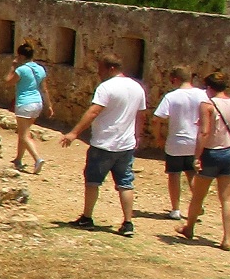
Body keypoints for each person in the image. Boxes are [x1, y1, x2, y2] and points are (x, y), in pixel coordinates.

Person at [58, 54, 148, 236]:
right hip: (126, 144)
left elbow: (94, 111)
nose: (98, 73)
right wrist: (137, 135)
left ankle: (87, 217)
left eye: (101, 69)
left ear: (111, 69)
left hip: (104, 143)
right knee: (125, 183)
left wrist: (75, 133)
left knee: (92, 181)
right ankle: (128, 223)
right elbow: (141, 115)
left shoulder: (106, 87)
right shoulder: (137, 87)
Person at [179, 72, 230, 250]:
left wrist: (196, 156)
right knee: (227, 197)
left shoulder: (208, 105)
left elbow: (204, 132)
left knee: (199, 195)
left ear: (209, 87)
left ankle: (189, 228)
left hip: (212, 153)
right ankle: (227, 238)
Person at [152, 66, 210, 218]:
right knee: (192, 174)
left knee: (174, 175)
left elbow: (156, 119)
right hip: (196, 141)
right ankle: (198, 204)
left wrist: (158, 137)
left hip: (176, 141)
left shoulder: (171, 97)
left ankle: (175, 209)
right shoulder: (203, 95)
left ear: (175, 79)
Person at [8, 41, 49, 174]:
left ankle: (37, 159)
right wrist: (49, 106)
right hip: (37, 103)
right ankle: (18, 159)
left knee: (24, 135)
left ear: (21, 56)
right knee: (24, 132)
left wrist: (13, 67)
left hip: (24, 103)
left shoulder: (21, 70)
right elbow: (44, 89)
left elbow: (8, 81)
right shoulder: (40, 69)